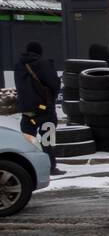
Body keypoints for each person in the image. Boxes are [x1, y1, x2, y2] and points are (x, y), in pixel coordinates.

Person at [15, 41, 63, 175]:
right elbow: (54, 84)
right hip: (44, 110)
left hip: (26, 111)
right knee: (47, 140)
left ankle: (27, 167)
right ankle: (50, 166)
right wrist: (49, 100)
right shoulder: (44, 64)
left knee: (28, 141)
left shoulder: (19, 66)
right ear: (40, 52)